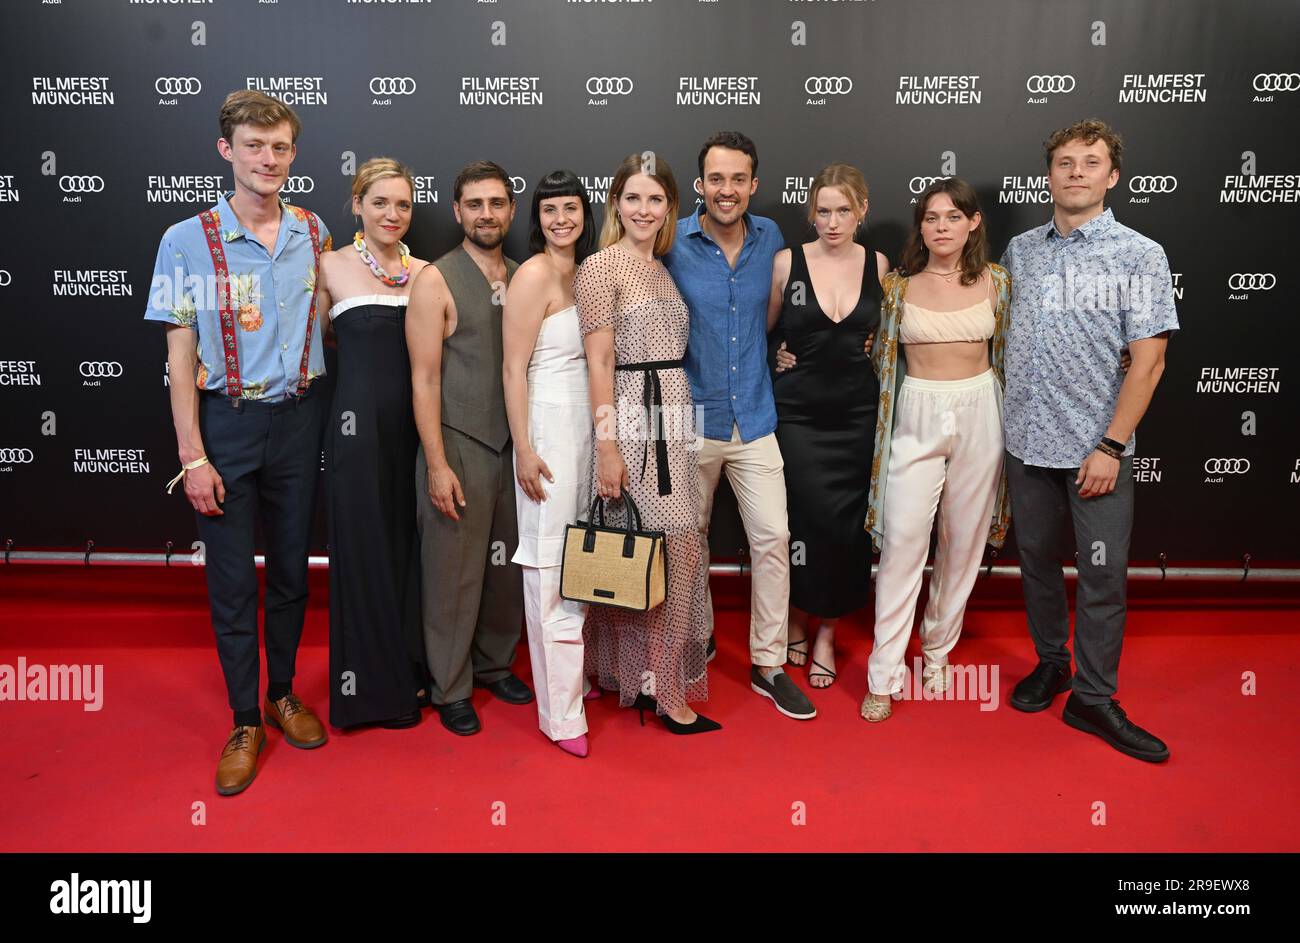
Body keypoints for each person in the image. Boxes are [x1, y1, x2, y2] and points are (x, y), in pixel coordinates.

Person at [146, 90, 331, 796]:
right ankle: (244, 717)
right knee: (230, 581)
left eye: (280, 146)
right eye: (255, 145)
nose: (268, 159)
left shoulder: (313, 230)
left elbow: (338, 303)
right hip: (225, 423)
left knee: (289, 568)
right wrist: (192, 455)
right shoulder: (184, 239)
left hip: (300, 418)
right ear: (228, 151)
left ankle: (282, 690)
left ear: (293, 153)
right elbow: (179, 352)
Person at [1001, 119, 1176, 762]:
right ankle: (1053, 663)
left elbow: (1149, 361)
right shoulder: (1022, 250)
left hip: (1094, 452)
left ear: (1112, 175)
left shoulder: (1139, 254)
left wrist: (1111, 445)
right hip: (1024, 443)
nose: (1076, 171)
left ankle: (1094, 698)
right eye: (1065, 162)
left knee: (1101, 575)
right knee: (1038, 562)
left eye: (1090, 162)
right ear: (1050, 173)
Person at [665, 131, 816, 721]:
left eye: (738, 180)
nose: (727, 190)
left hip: (755, 416)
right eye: (716, 179)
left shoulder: (773, 239)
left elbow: (776, 315)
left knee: (774, 540)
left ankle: (768, 663)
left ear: (753, 184)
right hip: (690, 419)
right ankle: (696, 638)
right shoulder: (669, 238)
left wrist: (775, 350)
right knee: (688, 544)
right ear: (700, 184)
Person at [858, 178, 1012, 722]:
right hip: (916, 411)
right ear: (920, 227)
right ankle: (884, 671)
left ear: (973, 222)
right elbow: (868, 350)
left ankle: (939, 649)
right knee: (902, 543)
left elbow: (1017, 352)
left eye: (952, 217)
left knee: (963, 540)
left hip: (980, 410)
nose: (940, 227)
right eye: (930, 218)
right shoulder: (897, 287)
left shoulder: (998, 282)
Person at [575, 151, 719, 734]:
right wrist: (608, 447)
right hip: (632, 414)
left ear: (670, 209)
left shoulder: (663, 266)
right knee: (648, 547)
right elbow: (600, 362)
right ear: (616, 204)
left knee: (677, 546)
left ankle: (651, 680)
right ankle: (654, 689)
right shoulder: (600, 267)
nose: (643, 208)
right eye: (632, 197)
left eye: (655, 199)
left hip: (673, 416)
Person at [407, 160, 532, 737]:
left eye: (497, 203)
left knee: (506, 569)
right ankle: (449, 686)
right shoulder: (436, 278)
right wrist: (436, 463)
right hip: (458, 443)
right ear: (457, 212)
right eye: (475, 204)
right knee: (452, 574)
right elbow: (425, 378)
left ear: (511, 209)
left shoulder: (522, 273)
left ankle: (493, 664)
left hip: (513, 447)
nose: (487, 214)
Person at [315, 158, 429, 730]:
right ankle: (371, 694)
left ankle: (412, 669)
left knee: (409, 548)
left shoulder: (426, 271)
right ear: (357, 204)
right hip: (356, 432)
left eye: (403, 205)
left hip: (417, 432)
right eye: (380, 202)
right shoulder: (328, 267)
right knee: (364, 552)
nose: (392, 214)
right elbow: (315, 347)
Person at [766, 163, 888, 690]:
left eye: (843, 211)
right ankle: (796, 615)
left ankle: (825, 634)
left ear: (862, 211)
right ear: (810, 213)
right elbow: (760, 331)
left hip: (858, 417)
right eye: (823, 211)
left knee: (845, 530)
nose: (832, 222)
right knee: (801, 523)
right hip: (798, 416)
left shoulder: (879, 265)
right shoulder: (785, 262)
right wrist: (778, 356)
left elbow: (891, 336)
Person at [502, 170, 599, 757]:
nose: (561, 219)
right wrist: (524, 447)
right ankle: (560, 716)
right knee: (547, 571)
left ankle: (576, 684)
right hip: (546, 430)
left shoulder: (587, 271)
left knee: (580, 563)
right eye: (549, 211)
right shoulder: (534, 274)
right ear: (535, 218)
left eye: (570, 208)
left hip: (588, 432)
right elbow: (513, 368)